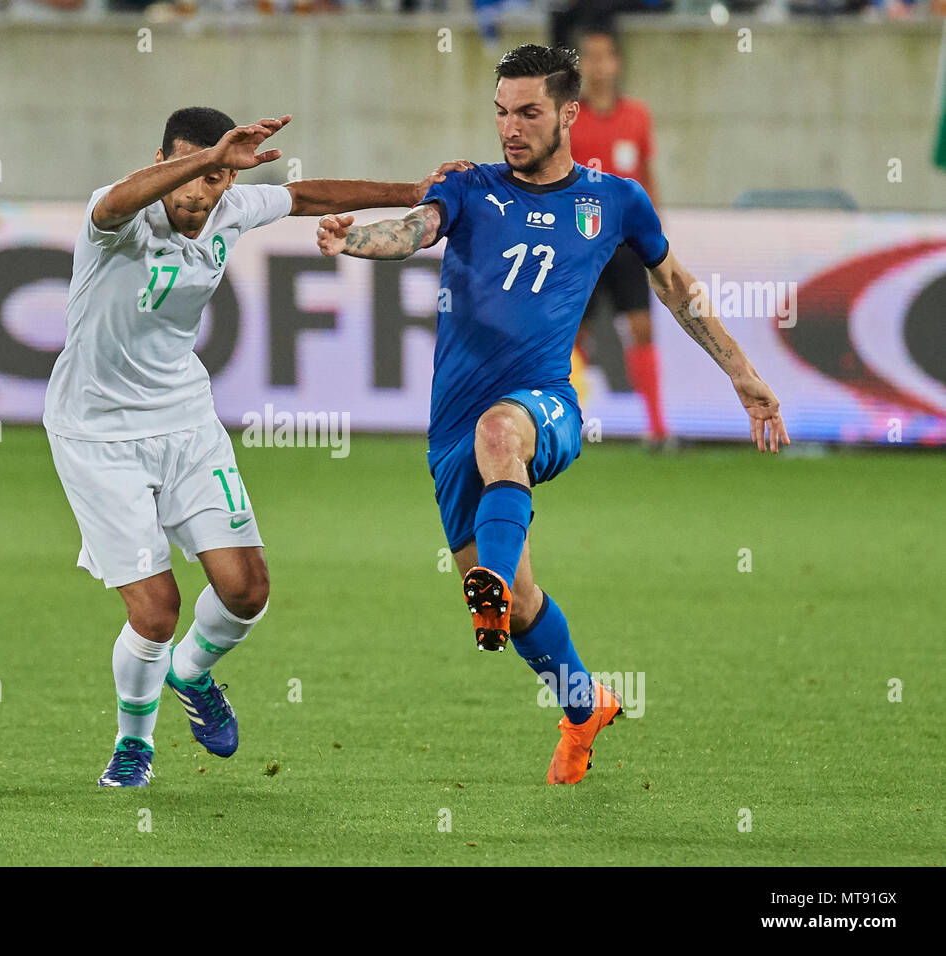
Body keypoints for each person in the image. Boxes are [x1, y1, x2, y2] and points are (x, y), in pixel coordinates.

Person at [316, 45, 788, 785]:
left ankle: (493, 589)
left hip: (544, 405)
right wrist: (359, 238)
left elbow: (673, 284)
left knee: (500, 433)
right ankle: (582, 704)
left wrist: (743, 373)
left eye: (529, 112)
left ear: (569, 112)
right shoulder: (469, 189)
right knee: (523, 600)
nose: (511, 127)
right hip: (452, 433)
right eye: (501, 111)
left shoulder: (616, 202)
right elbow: (413, 230)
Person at [44, 107, 468, 787]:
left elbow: (307, 197)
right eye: (186, 175)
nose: (197, 195)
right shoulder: (116, 216)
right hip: (96, 434)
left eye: (214, 180)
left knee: (247, 590)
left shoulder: (227, 207)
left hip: (184, 419)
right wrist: (207, 158)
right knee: (156, 611)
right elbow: (123, 196)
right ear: (160, 162)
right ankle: (134, 747)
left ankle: (191, 675)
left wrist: (415, 192)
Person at [571, 25, 670, 447]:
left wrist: (656, 236)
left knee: (642, 328)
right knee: (572, 337)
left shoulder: (637, 116)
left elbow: (647, 179)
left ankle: (657, 428)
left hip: (627, 243)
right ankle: (562, 424)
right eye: (589, 57)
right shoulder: (569, 118)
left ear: (617, 63)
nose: (598, 66)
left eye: (604, 56)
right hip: (583, 244)